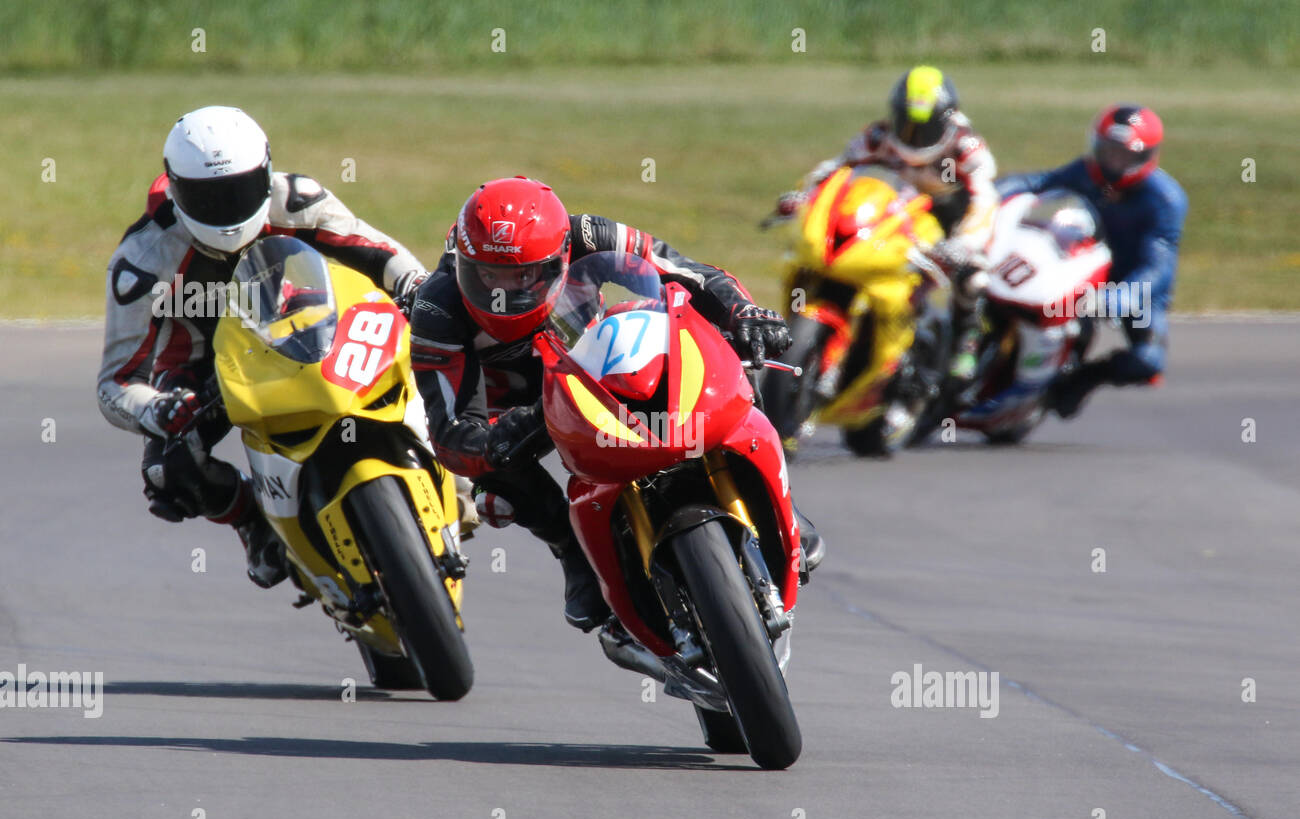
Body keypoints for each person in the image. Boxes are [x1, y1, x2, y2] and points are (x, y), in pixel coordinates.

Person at [407, 175, 822, 631]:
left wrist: (742, 311)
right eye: (488, 276)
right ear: (464, 263)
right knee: (497, 486)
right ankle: (573, 553)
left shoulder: (588, 234)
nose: (504, 293)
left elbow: (688, 272)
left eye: (523, 275)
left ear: (559, 257)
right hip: (515, 409)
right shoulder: (437, 307)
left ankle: (778, 497)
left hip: (589, 356)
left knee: (724, 346)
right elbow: (448, 431)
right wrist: (488, 444)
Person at [98, 105, 433, 587]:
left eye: (239, 191)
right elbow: (115, 382)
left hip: (318, 323)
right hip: (206, 368)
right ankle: (253, 522)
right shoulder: (142, 261)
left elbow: (381, 254)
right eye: (208, 198)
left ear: (267, 171)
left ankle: (450, 454)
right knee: (167, 474)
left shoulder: (298, 200)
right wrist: (157, 409)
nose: (228, 211)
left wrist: (419, 289)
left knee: (431, 348)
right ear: (174, 188)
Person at [774, 65, 1000, 380]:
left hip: (950, 217)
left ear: (945, 120)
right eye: (905, 124)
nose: (912, 135)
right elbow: (835, 170)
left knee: (974, 277)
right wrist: (803, 197)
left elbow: (985, 200)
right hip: (899, 210)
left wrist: (965, 242)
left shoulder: (965, 148)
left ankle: (965, 344)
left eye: (924, 128)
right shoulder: (878, 137)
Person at [996, 104, 1187, 418]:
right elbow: (1041, 182)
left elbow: (1158, 264)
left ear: (1146, 157)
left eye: (1124, 155)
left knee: (1148, 361)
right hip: (1084, 269)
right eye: (1108, 150)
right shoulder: (1087, 172)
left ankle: (1086, 377)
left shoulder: (1165, 199)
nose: (1114, 161)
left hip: (1135, 285)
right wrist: (996, 192)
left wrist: (1123, 296)